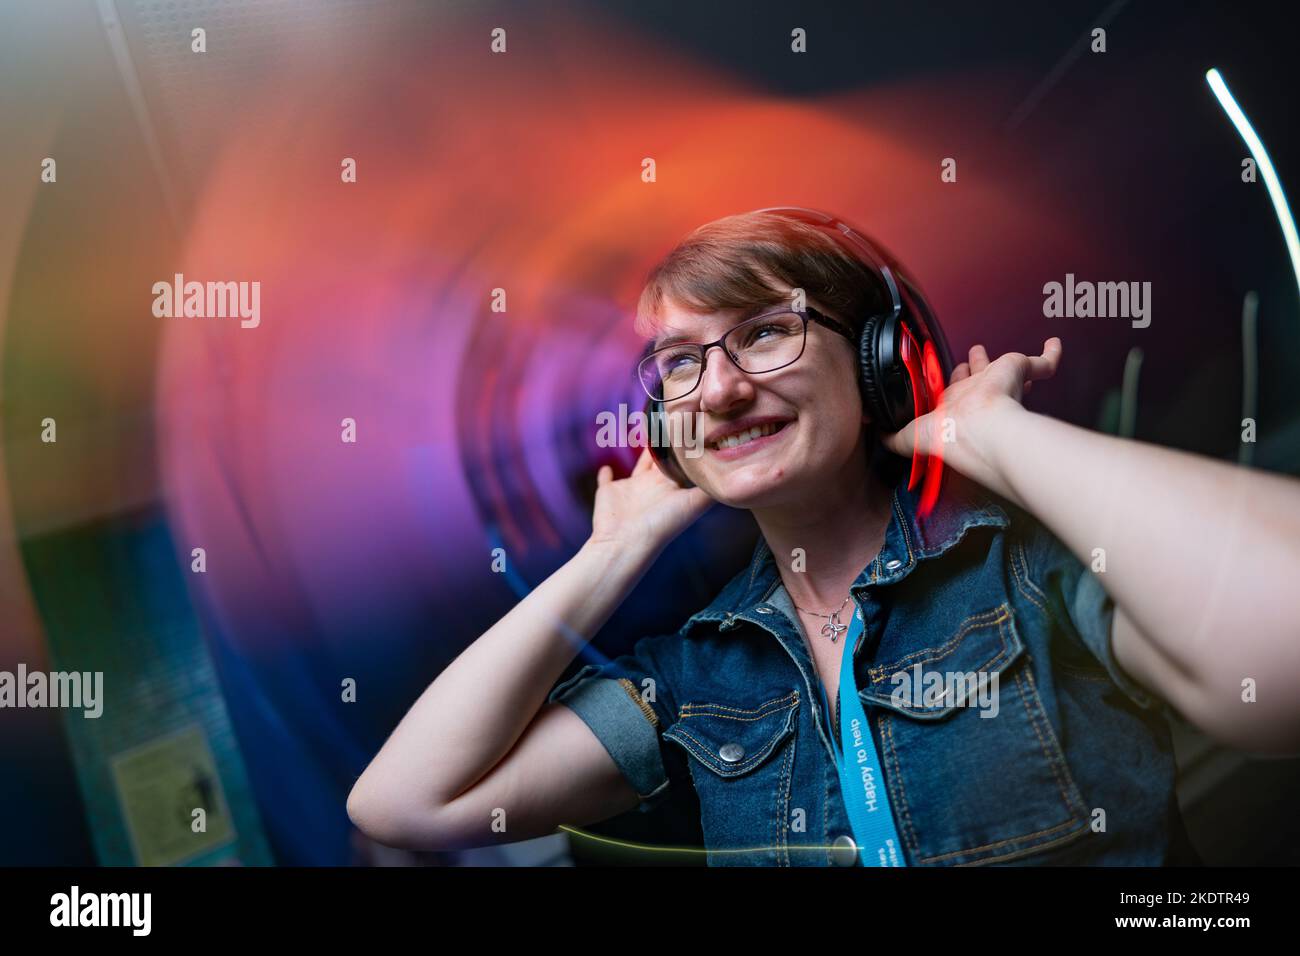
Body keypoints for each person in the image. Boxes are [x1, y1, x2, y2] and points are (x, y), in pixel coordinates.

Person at [347, 209, 1300, 866]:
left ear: (881, 358)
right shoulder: (693, 680)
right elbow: (405, 802)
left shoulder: (1026, 573)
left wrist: (996, 436)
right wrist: (610, 553)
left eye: (765, 333)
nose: (718, 389)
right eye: (681, 362)